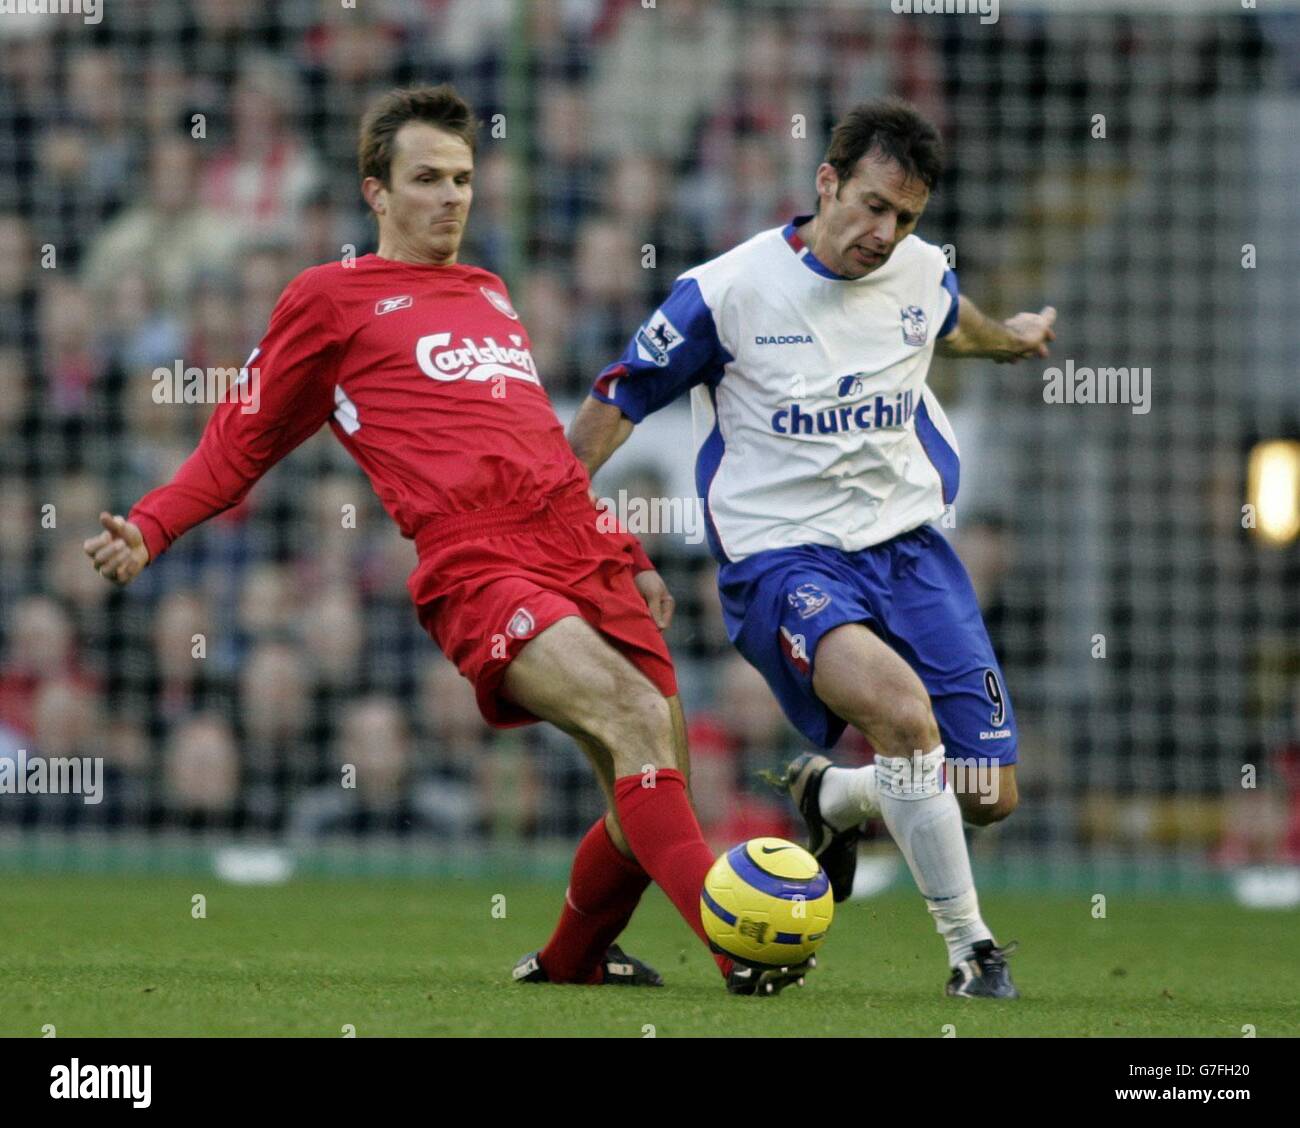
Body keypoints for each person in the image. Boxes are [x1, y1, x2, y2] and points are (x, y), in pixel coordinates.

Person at [83, 84, 806, 997]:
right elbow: (242, 440)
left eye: (463, 178)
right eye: (427, 178)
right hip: (479, 561)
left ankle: (571, 963)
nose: (452, 197)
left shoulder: (488, 290)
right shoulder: (329, 299)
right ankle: (740, 932)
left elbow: (537, 445)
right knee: (632, 720)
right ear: (375, 193)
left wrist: (619, 548)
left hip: (575, 543)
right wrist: (151, 527)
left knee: (650, 770)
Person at [568, 97, 1058, 999]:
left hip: (911, 552)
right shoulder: (725, 292)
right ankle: (972, 949)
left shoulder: (918, 272)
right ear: (825, 182)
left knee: (987, 793)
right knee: (904, 718)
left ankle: (835, 799)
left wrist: (1014, 341)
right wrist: (560, 521)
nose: (884, 232)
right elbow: (616, 402)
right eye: (871, 206)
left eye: (905, 217)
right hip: (784, 562)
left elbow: (957, 321)